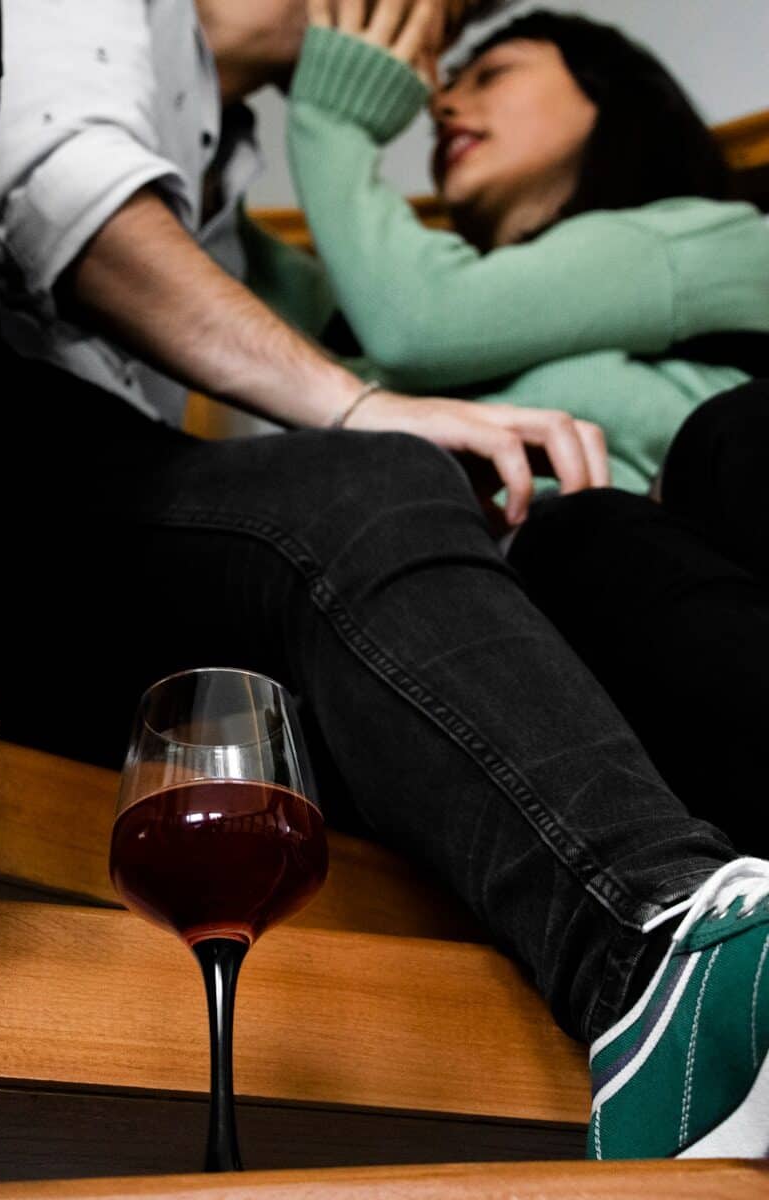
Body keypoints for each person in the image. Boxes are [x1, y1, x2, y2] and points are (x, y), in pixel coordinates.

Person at [0, 0, 767, 1162]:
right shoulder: (108, 21)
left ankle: (662, 955)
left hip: (79, 549)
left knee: (377, 496)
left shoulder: (236, 182)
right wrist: (363, 384)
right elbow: (75, 200)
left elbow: (340, 356)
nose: (395, 30)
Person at [285, 4, 769, 841]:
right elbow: (237, 292)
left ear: (610, 101)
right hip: (556, 660)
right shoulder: (381, 358)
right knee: (562, 535)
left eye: (491, 76)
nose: (441, 106)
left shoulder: (701, 234)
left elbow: (422, 318)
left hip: (714, 590)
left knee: (721, 439)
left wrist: (330, 111)